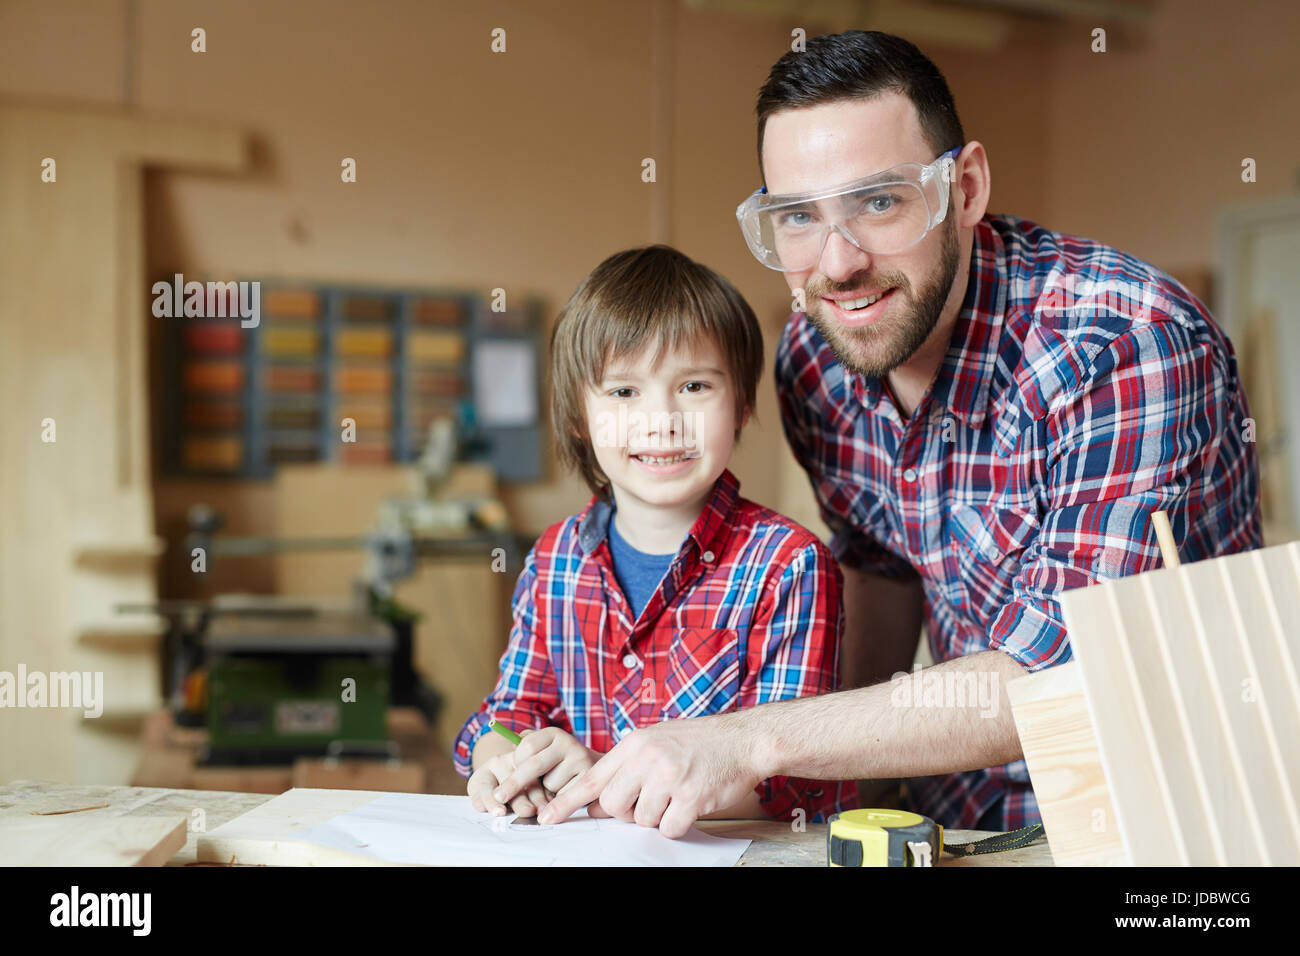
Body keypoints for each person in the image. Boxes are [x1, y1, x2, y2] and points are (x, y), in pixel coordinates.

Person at [527, 30, 1261, 838]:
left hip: (1158, 821)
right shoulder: (818, 355)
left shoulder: (1123, 346)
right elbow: (882, 573)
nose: (838, 263)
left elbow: (1068, 671)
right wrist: (785, 786)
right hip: (951, 816)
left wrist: (751, 740)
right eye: (798, 217)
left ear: (966, 186)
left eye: (878, 202)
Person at [454, 244, 856, 824]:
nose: (661, 419)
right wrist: (500, 762)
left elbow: (788, 790)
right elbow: (512, 712)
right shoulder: (554, 561)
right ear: (577, 417)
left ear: (741, 406)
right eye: (623, 392)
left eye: (694, 387)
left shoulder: (789, 567)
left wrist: (597, 777)